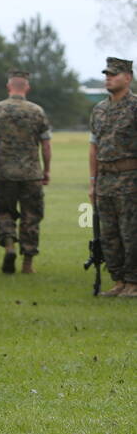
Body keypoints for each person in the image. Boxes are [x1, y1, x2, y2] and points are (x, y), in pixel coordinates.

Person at [0, 69, 51, 275]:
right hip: (31, 174)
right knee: (31, 217)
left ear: (8, 86)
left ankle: (9, 245)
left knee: (4, 213)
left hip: (3, 173)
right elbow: (46, 145)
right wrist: (46, 170)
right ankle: (28, 264)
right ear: (27, 87)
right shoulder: (37, 111)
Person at [88, 57, 137, 297]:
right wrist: (92, 182)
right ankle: (118, 279)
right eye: (107, 74)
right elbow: (94, 147)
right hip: (105, 179)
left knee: (132, 232)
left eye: (114, 74)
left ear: (128, 77)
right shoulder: (99, 109)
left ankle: (133, 282)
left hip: (130, 177)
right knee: (109, 234)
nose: (108, 77)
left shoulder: (135, 106)